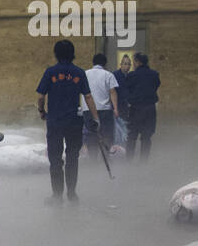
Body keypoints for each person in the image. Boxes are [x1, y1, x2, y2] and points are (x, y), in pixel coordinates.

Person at [36, 39, 99, 204]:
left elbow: (41, 96)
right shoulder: (79, 73)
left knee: (55, 159)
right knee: (72, 157)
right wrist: (95, 118)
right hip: (74, 122)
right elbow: (88, 96)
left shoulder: (50, 72)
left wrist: (42, 111)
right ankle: (72, 193)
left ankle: (57, 196)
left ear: (56, 54)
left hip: (55, 121)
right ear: (73, 54)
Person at [124, 52, 161, 161]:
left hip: (135, 109)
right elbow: (156, 86)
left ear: (137, 62)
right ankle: (143, 162)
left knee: (132, 136)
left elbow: (128, 89)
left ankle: (129, 160)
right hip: (150, 109)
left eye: (134, 61)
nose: (133, 64)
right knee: (146, 137)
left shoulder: (132, 75)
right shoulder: (154, 74)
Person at [81, 52, 120, 154]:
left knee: (91, 135)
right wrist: (115, 108)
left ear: (93, 62)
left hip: (88, 110)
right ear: (105, 64)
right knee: (106, 134)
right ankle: (107, 157)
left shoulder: (84, 74)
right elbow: (112, 92)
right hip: (105, 110)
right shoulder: (108, 75)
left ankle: (93, 160)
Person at [112, 53, 132, 144]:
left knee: (127, 132)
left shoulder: (131, 76)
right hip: (118, 107)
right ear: (121, 64)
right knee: (118, 133)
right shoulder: (115, 75)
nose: (127, 66)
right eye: (125, 63)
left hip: (128, 109)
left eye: (128, 64)